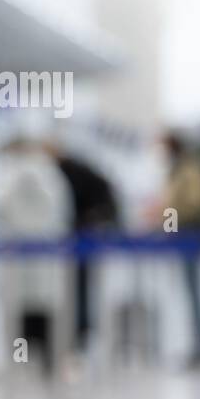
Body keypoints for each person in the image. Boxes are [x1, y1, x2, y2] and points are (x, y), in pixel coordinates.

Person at [0, 139, 73, 375]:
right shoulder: (53, 178)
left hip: (20, 263)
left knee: (22, 317)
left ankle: (21, 361)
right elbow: (64, 216)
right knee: (46, 314)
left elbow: (2, 212)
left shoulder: (10, 178)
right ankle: (50, 362)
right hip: (46, 263)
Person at [53, 149, 119, 352]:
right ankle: (79, 329)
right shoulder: (79, 171)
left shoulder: (71, 173)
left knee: (79, 286)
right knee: (78, 286)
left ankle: (80, 329)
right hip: (82, 237)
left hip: (83, 238)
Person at [162, 132, 200, 367]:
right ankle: (199, 346)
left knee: (195, 292)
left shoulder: (188, 168)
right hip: (185, 234)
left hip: (190, 235)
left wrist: (171, 223)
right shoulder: (182, 167)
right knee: (191, 292)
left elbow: (190, 203)